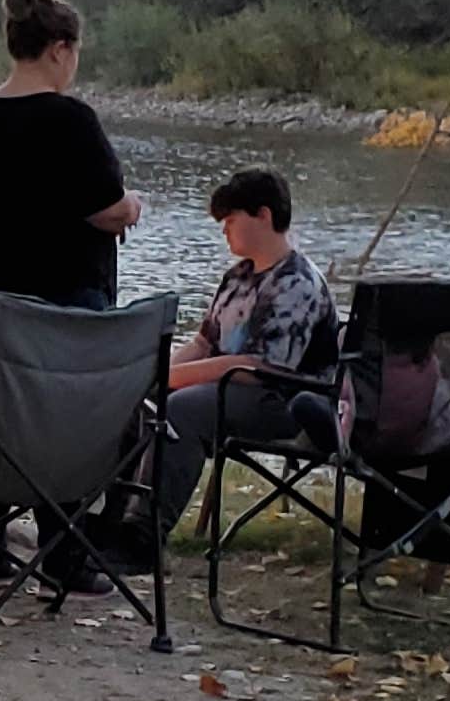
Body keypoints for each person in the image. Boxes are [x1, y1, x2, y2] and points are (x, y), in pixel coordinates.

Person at [0, 0, 142, 590]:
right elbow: (108, 205)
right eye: (75, 53)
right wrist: (130, 206)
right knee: (70, 419)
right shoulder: (72, 121)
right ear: (59, 49)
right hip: (65, 294)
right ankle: (64, 553)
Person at [108, 166, 338, 561]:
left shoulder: (297, 282)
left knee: (183, 410)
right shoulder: (238, 277)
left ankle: (144, 536)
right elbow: (203, 344)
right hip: (233, 388)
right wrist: (152, 375)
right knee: (138, 398)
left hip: (286, 401)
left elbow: (259, 367)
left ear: (263, 216)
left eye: (231, 219)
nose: (224, 229)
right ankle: (109, 522)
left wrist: (172, 378)